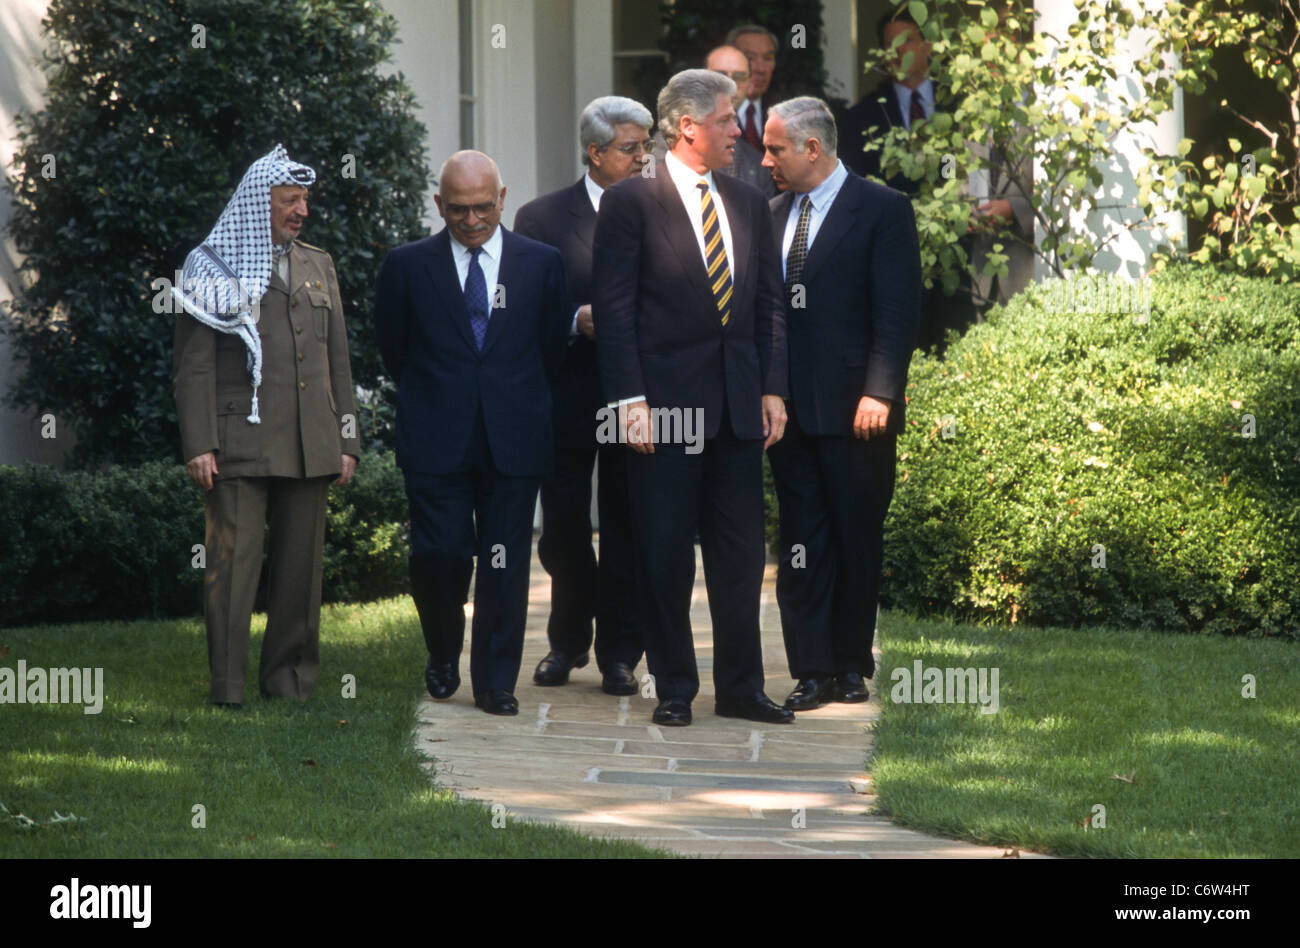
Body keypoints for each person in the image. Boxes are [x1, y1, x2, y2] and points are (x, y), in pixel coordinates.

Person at [592, 68, 793, 728]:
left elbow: (769, 306)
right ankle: (675, 686)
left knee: (739, 560)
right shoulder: (631, 203)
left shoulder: (747, 198)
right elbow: (615, 312)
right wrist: (629, 402)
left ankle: (741, 687)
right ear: (687, 127)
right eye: (727, 120)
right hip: (664, 412)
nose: (740, 130)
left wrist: (772, 388)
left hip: (737, 410)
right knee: (665, 552)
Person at [374, 151, 570, 716]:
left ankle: (494, 682)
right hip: (437, 439)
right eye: (459, 209)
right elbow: (396, 350)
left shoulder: (541, 263)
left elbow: (551, 349)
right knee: (440, 556)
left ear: (502, 198)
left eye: (484, 206)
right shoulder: (408, 266)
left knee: (505, 563)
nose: (473, 219)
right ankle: (442, 650)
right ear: (439, 205)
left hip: (515, 439)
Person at [172, 144, 361, 708]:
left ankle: (290, 682)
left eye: (304, 200)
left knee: (301, 571)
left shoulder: (318, 263)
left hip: (311, 439)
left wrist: (347, 436)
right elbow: (194, 366)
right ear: (261, 203)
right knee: (233, 565)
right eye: (289, 200)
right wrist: (200, 442)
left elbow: (338, 362)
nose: (300, 210)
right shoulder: (212, 264)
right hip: (239, 440)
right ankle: (227, 687)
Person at [761, 98, 920, 710]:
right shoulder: (771, 213)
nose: (766, 158)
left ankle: (852, 664)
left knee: (856, 536)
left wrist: (880, 390)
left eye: (776, 148)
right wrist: (769, 389)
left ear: (812, 148)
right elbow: (768, 313)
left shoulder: (882, 209)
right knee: (801, 540)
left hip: (859, 410)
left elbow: (897, 310)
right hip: (790, 412)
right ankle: (811, 668)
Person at [512, 96, 651, 696]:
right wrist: (574, 319)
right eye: (630, 148)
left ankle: (620, 653)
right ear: (594, 153)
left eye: (648, 145)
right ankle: (568, 640)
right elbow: (524, 311)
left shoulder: (661, 209)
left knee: (627, 520)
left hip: (636, 394)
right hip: (566, 393)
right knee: (564, 526)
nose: (644, 158)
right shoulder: (541, 218)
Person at [706, 45, 778, 198]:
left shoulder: (759, 166)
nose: (730, 83)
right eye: (720, 75)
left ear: (748, 84)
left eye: (739, 77)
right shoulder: (665, 144)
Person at [727, 25, 779, 157]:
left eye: (767, 58)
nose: (761, 69)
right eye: (750, 58)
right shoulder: (710, 113)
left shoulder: (783, 114)